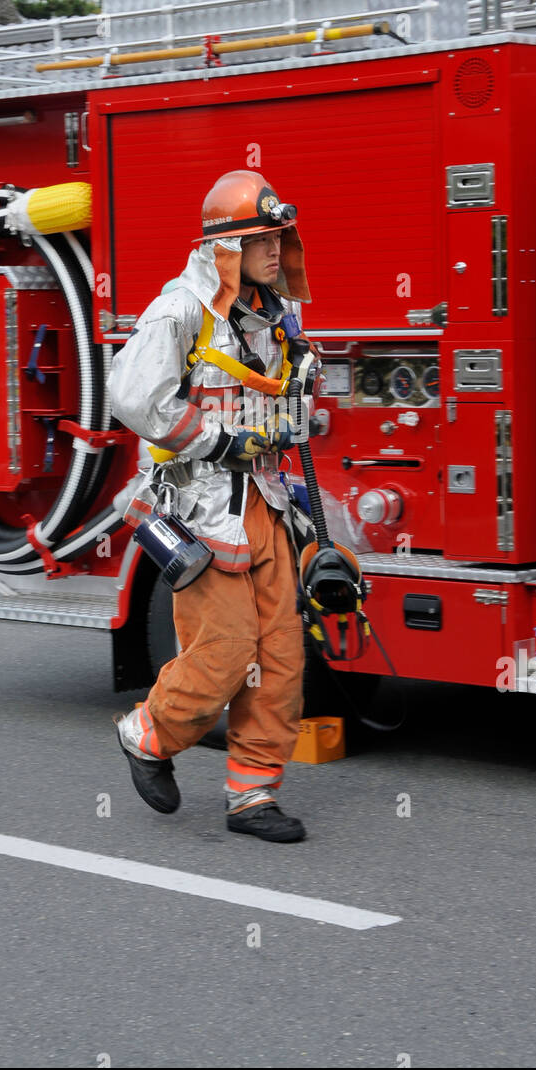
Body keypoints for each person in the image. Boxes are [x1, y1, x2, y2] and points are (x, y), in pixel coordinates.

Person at [107, 169, 317, 843]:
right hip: (201, 512)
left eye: (279, 239)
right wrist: (222, 438)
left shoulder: (272, 316)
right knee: (225, 652)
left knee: (280, 657)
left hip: (265, 501)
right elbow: (136, 400)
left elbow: (290, 398)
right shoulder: (179, 311)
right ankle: (147, 734)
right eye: (262, 240)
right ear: (225, 246)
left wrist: (295, 414)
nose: (275, 252)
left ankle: (252, 797)